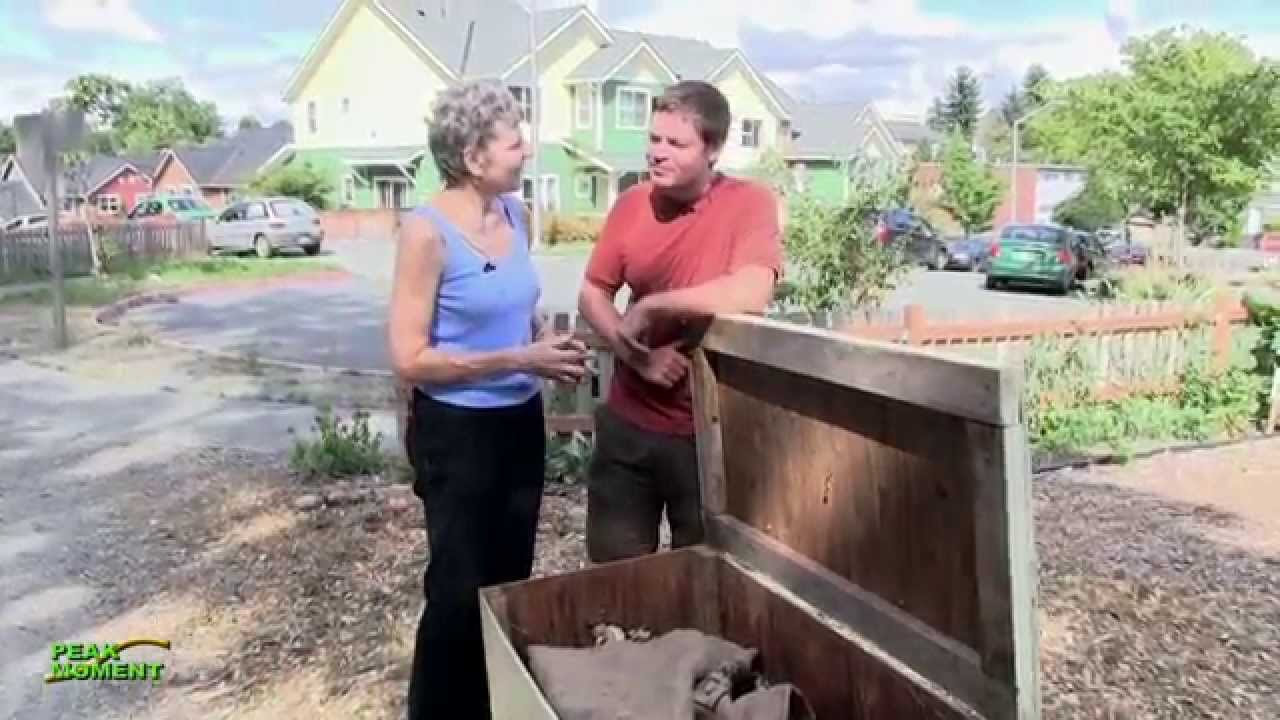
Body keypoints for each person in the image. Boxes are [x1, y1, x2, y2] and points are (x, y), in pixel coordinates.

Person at [387, 79, 589, 720]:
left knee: (508, 581)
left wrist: (541, 345)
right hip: (456, 432)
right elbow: (409, 358)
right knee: (456, 591)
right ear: (473, 156)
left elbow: (510, 317)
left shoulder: (515, 215)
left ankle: (489, 706)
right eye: (514, 140)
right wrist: (515, 359)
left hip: (517, 425)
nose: (526, 150)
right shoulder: (427, 233)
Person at [577, 80, 783, 564]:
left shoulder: (748, 203)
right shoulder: (632, 204)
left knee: (706, 575)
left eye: (675, 143)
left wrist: (654, 306)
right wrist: (637, 355)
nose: (657, 154)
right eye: (653, 140)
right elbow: (592, 292)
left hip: (708, 434)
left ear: (712, 149)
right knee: (616, 575)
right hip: (629, 426)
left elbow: (752, 291)